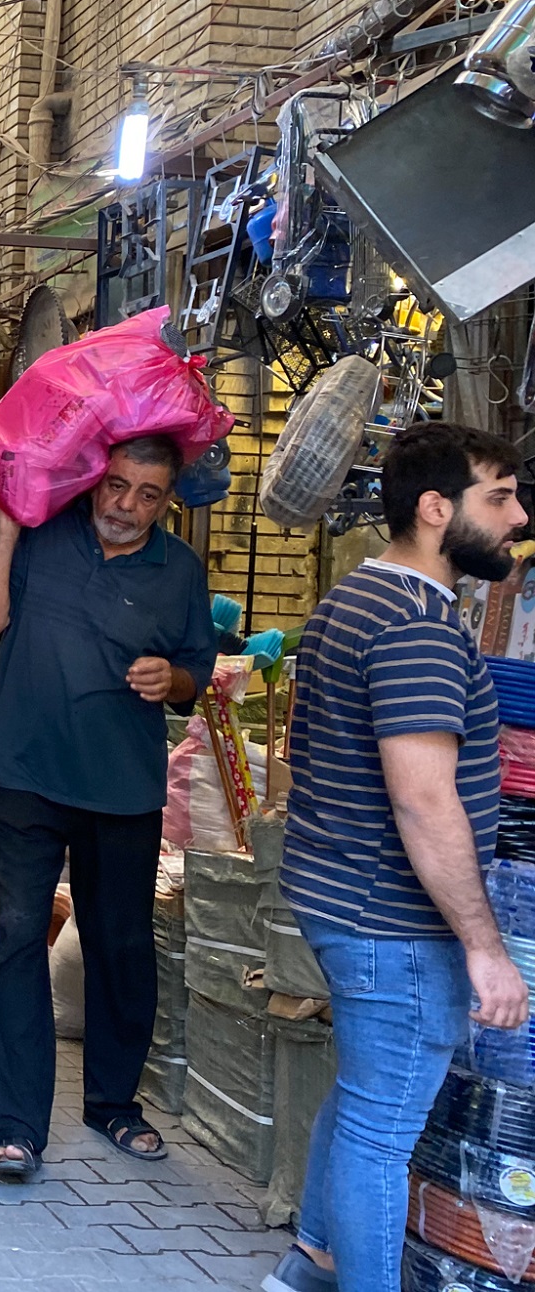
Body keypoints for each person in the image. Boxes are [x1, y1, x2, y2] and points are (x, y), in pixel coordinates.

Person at [266, 424, 528, 1292]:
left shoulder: (353, 598)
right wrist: (486, 950)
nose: (518, 517)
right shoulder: (417, 623)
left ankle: (306, 1265)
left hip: (347, 902)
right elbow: (424, 800)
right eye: (499, 496)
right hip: (394, 924)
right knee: (381, 1137)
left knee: (361, 1103)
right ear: (434, 507)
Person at [0, 433, 216, 1177]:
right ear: (94, 481)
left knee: (122, 947)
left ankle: (113, 1104)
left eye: (148, 495)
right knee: (16, 935)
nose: (127, 506)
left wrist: (169, 679)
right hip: (25, 772)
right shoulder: (43, 537)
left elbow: (197, 669)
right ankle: (14, 1123)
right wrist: (9, 524)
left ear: (167, 502)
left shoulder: (181, 571)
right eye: (117, 487)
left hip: (122, 786)